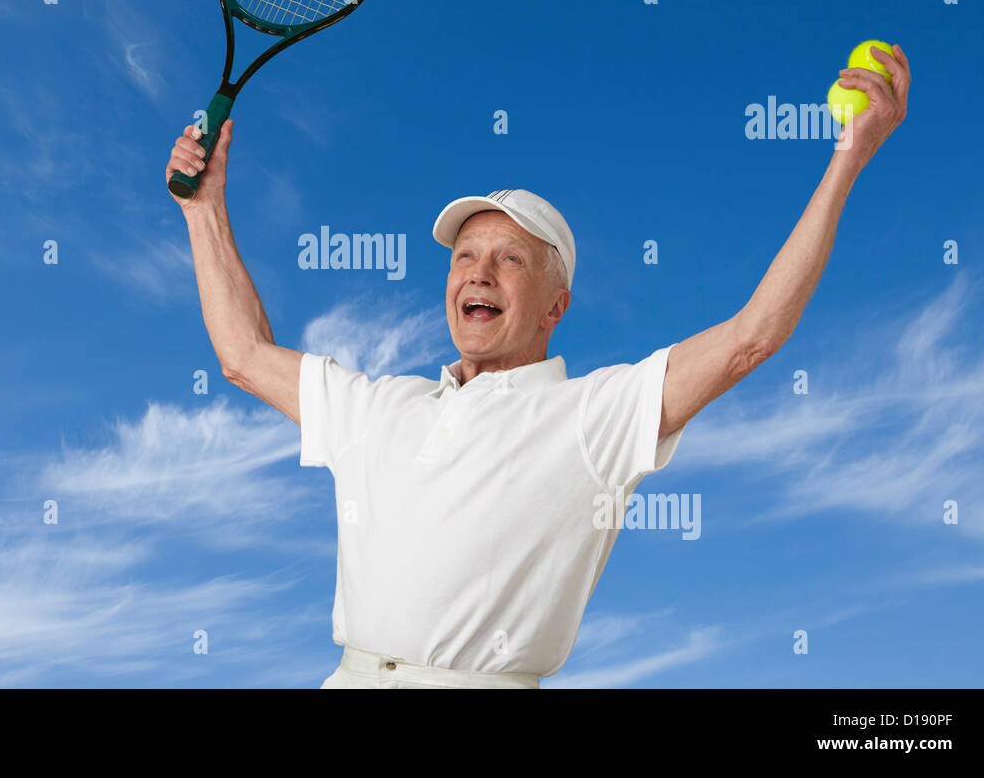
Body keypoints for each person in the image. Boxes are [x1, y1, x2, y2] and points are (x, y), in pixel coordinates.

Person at [164, 45, 911, 688]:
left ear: (556, 307)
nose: (478, 273)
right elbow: (244, 357)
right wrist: (205, 210)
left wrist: (847, 159)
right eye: (464, 257)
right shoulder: (381, 404)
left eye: (509, 260)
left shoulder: (592, 416)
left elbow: (753, 335)